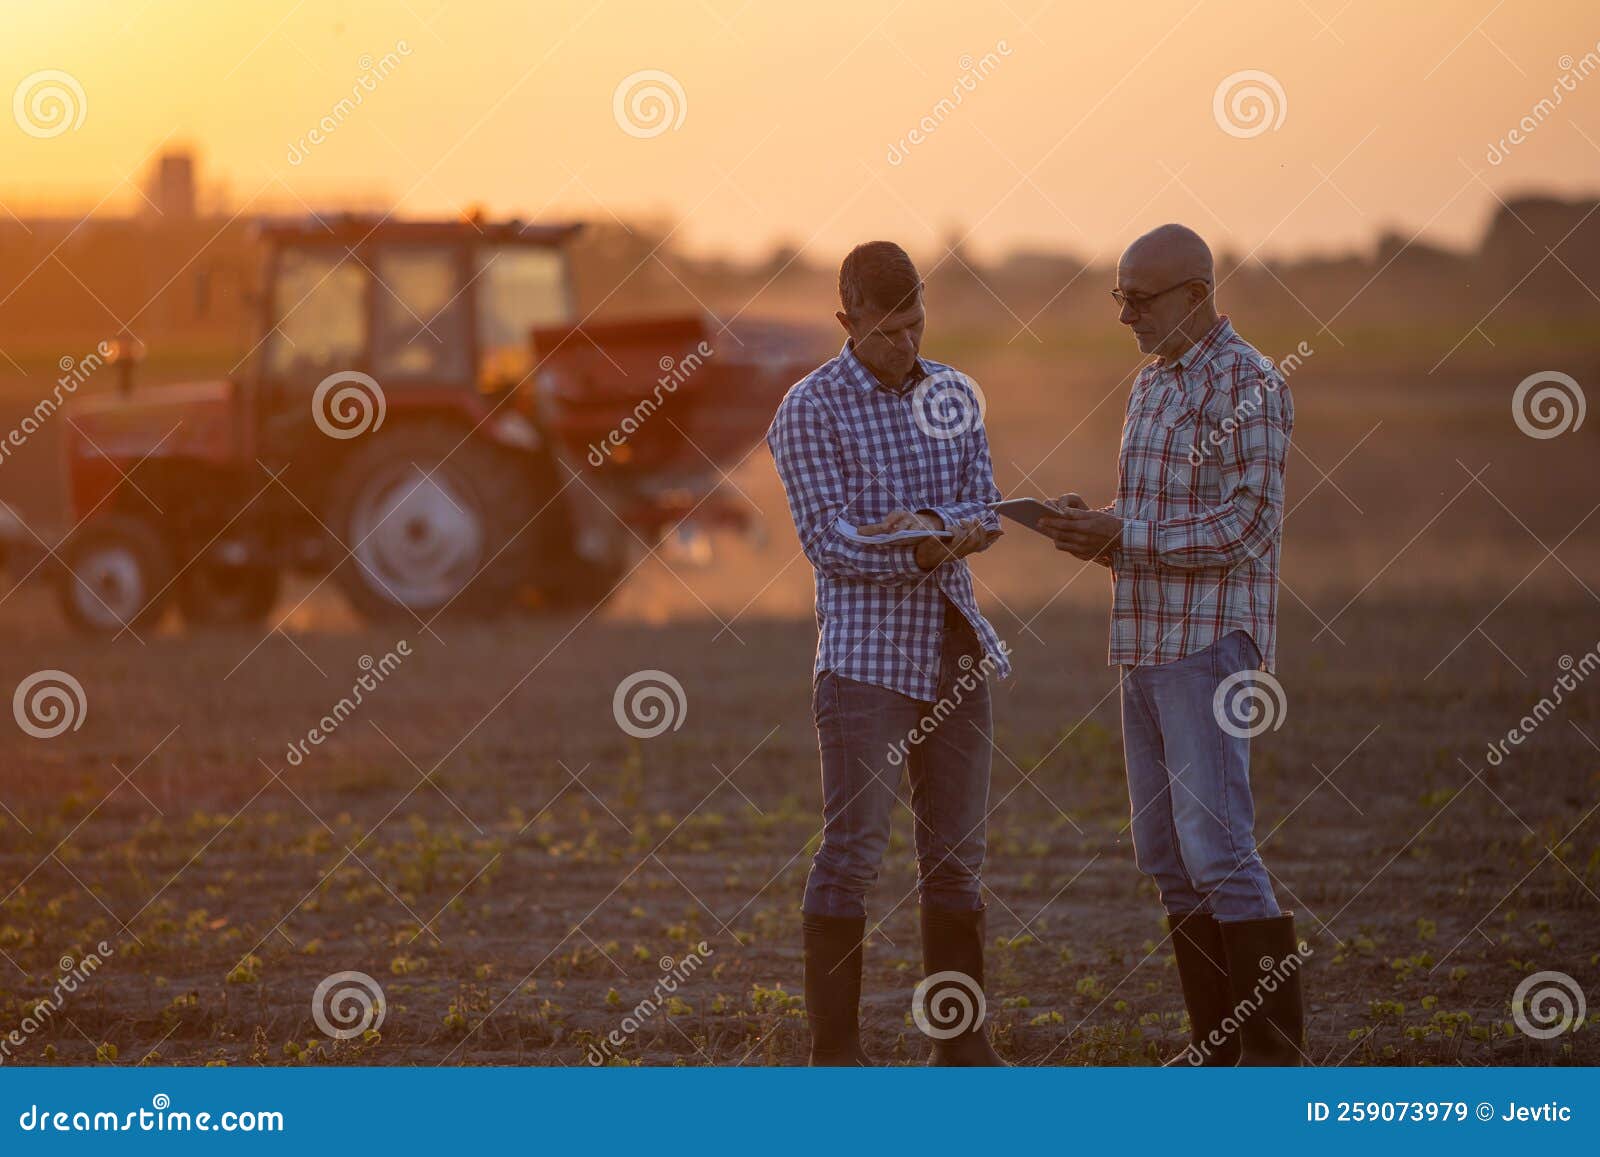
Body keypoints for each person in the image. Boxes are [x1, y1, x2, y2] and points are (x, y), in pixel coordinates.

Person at [1038, 224, 1305, 1066]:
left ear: (1198, 293)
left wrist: (1128, 533)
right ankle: (1217, 1052)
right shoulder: (1151, 384)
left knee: (1218, 847)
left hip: (1208, 648)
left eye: (1139, 299)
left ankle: (1270, 1066)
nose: (1126, 316)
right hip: (1143, 645)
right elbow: (1151, 517)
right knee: (1166, 853)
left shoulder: (1251, 384)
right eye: (1119, 297)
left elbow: (1247, 523)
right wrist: (1098, 528)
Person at [767, 240, 1009, 1065]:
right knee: (853, 856)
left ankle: (962, 1047)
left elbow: (983, 500)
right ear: (848, 320)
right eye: (889, 331)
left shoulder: (955, 393)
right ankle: (835, 1058)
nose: (907, 345)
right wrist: (923, 546)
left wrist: (942, 530)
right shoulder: (808, 409)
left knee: (957, 862)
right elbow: (829, 542)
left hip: (955, 648)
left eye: (917, 324)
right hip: (866, 664)